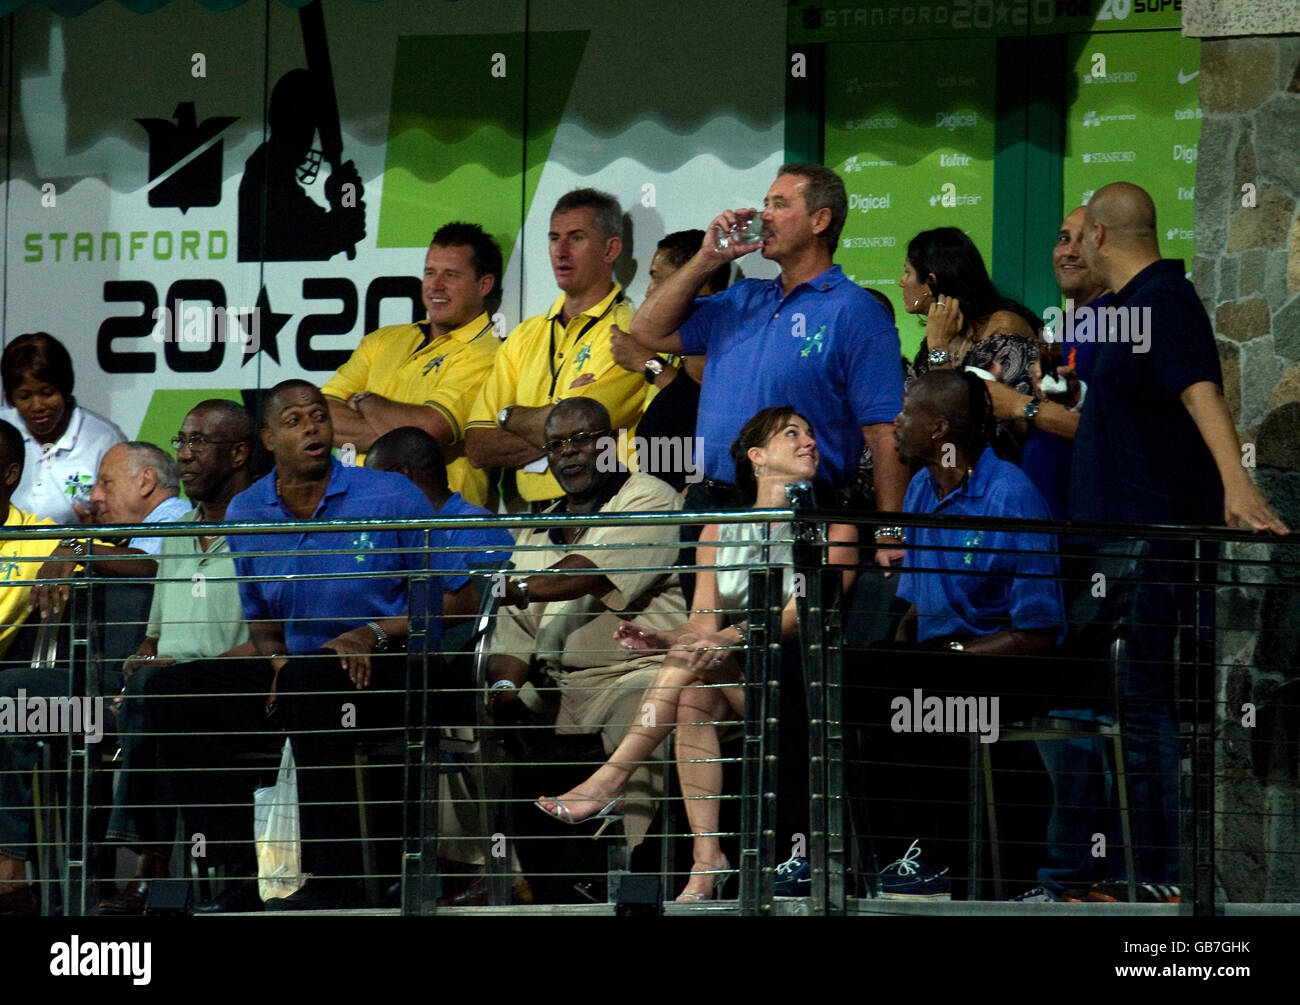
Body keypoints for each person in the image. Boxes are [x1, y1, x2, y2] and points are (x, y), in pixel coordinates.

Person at [535, 406, 857, 901]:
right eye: (792, 434)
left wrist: (721, 641)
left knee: (692, 677)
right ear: (757, 457)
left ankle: (614, 785)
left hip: (803, 678)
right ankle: (705, 861)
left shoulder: (833, 529)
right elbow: (705, 622)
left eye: (811, 434)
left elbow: (802, 615)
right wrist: (667, 639)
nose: (809, 442)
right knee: (690, 694)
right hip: (737, 674)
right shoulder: (718, 530)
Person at [1064, 181, 1287, 896]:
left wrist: (1237, 484)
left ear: (1100, 234)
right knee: (1124, 706)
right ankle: (1124, 869)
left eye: (1077, 237)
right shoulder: (1126, 307)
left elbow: (1201, 391)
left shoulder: (1164, 300)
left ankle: (1156, 876)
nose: (1070, 249)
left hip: (1152, 545)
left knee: (1144, 703)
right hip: (1117, 545)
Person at [143, 380, 442, 911]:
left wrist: (367, 633)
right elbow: (260, 622)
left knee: (309, 681)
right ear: (267, 440)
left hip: (390, 667)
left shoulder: (392, 496)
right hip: (302, 670)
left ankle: (334, 878)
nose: (312, 428)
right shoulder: (246, 511)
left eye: (318, 416)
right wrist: (276, 660)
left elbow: (435, 607)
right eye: (294, 420)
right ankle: (240, 867)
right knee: (173, 689)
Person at [846, 370, 1067, 899]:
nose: (895, 423)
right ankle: (894, 857)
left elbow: (1038, 633)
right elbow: (916, 606)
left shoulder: (1009, 495)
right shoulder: (922, 486)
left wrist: (948, 655)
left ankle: (931, 855)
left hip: (1006, 666)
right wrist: (912, 644)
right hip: (940, 664)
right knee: (854, 676)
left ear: (940, 427)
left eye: (906, 413)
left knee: (905, 688)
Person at [628, 164, 906, 560]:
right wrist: (709, 257)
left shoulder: (857, 312)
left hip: (799, 509)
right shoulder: (740, 299)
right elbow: (647, 331)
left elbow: (884, 435)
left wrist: (890, 532)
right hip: (711, 506)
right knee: (701, 623)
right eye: (764, 204)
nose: (765, 216)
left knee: (781, 624)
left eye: (780, 204)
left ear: (819, 220)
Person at [484, 398, 686, 852]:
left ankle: (644, 876)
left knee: (646, 708)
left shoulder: (648, 496)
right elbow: (514, 630)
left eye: (582, 439)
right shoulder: (540, 527)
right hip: (557, 686)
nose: (568, 453)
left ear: (611, 443)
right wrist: (504, 693)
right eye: (556, 445)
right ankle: (493, 874)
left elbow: (585, 573)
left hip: (632, 674)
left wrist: (511, 584)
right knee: (470, 723)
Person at [96, 400, 258, 915]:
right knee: (152, 695)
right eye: (181, 442)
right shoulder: (176, 534)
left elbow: (273, 642)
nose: (185, 456)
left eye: (198, 443)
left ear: (237, 454)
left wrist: (170, 677)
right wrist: (136, 666)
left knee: (163, 696)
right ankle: (160, 870)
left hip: (241, 685)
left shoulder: (262, 528)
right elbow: (153, 639)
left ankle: (152, 865)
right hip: (171, 694)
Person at [466, 189, 643, 509]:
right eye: (553, 238)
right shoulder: (523, 336)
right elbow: (478, 447)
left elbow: (585, 427)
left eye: (576, 238)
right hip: (530, 516)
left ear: (610, 249)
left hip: (606, 508)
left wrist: (507, 417)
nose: (560, 251)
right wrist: (565, 428)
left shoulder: (632, 332)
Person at [323, 223, 503, 506]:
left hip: (437, 525)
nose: (436, 285)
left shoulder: (488, 353)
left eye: (451, 275)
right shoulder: (383, 340)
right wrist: (405, 440)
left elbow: (429, 432)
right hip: (357, 516)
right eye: (430, 272)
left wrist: (363, 400)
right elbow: (322, 417)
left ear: (484, 285)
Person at [983, 207, 1111, 519]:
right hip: (1044, 516)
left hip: (1091, 525)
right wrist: (1005, 409)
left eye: (1083, 241)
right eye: (1063, 239)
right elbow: (1049, 431)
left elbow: (1109, 432)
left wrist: (1019, 404)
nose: (1069, 251)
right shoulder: (1062, 329)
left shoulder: (1118, 323)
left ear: (1106, 248)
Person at [607, 229, 730, 491]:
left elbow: (698, 401)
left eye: (658, 280)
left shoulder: (723, 341)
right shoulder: (670, 343)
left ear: (697, 283)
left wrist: (650, 364)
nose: (649, 292)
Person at [29, 441, 192, 619]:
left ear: (145, 481)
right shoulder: (146, 526)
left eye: (106, 483)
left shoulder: (176, 516)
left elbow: (148, 564)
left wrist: (77, 548)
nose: (94, 496)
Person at [364, 425, 513, 620]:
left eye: (373, 482)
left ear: (400, 475)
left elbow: (484, 609)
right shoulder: (407, 532)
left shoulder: (476, 529)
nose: (368, 494)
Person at [237, 68, 365, 262]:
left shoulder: (268, 170)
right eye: (308, 126)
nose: (309, 138)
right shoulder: (268, 175)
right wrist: (348, 197)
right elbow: (328, 236)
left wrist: (346, 198)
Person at [0, 332, 124, 525]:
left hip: (74, 551)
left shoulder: (104, 439)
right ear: (10, 398)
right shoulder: (3, 430)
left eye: (48, 393)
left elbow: (121, 517)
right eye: (24, 396)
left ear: (66, 388)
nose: (38, 406)